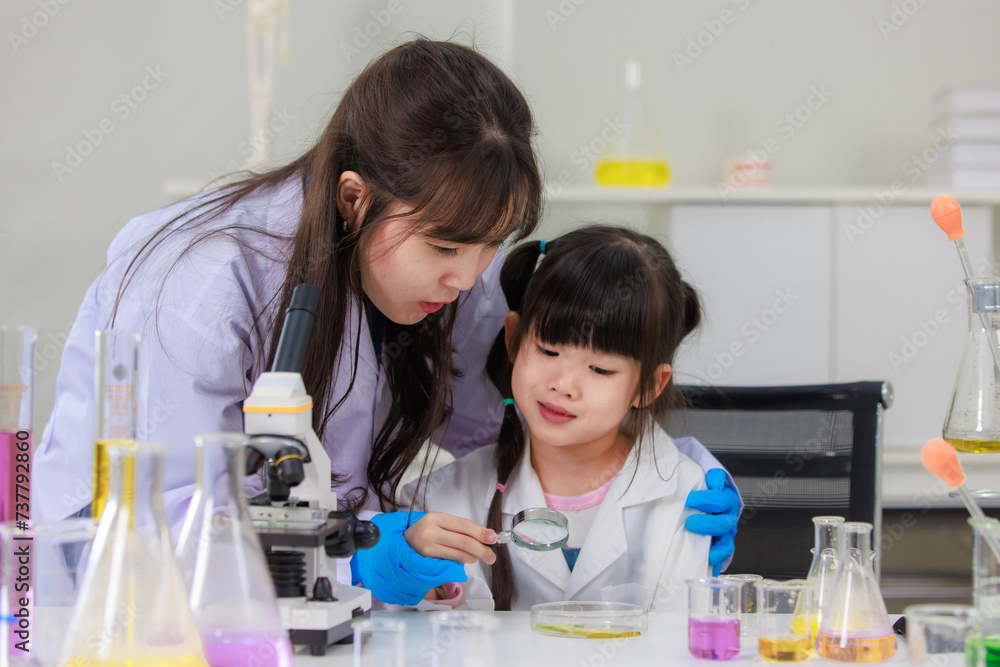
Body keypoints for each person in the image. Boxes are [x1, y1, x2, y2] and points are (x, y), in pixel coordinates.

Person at [32, 39, 737, 585]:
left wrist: (663, 468)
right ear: (354, 198)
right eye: (447, 245)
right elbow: (172, 526)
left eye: (493, 244)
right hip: (133, 599)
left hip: (319, 610)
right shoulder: (204, 281)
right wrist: (352, 558)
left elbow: (526, 422)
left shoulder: (456, 278)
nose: (469, 276)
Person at [353, 226, 735, 612]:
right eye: (549, 351)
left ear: (650, 386)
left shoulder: (687, 497)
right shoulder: (441, 497)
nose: (563, 385)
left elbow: (685, 643)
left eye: (600, 369)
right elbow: (419, 639)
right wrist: (425, 585)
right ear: (514, 338)